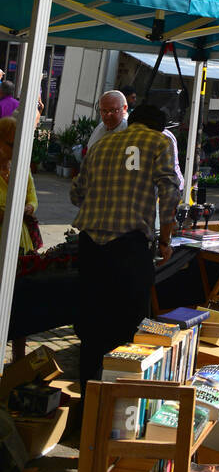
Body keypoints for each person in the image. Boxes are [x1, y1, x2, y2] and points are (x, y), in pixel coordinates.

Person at [71, 103, 182, 390]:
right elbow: (170, 192)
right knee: (128, 326)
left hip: (91, 245)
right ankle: (118, 402)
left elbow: (76, 193)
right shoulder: (159, 141)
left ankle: (90, 399)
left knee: (93, 325)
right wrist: (166, 239)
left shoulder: (101, 144)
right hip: (129, 247)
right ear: (159, 127)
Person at [0, 117, 39, 253]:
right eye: (11, 145)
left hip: (19, 237)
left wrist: (29, 207)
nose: (16, 150)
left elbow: (32, 197)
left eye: (19, 145)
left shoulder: (22, 167)